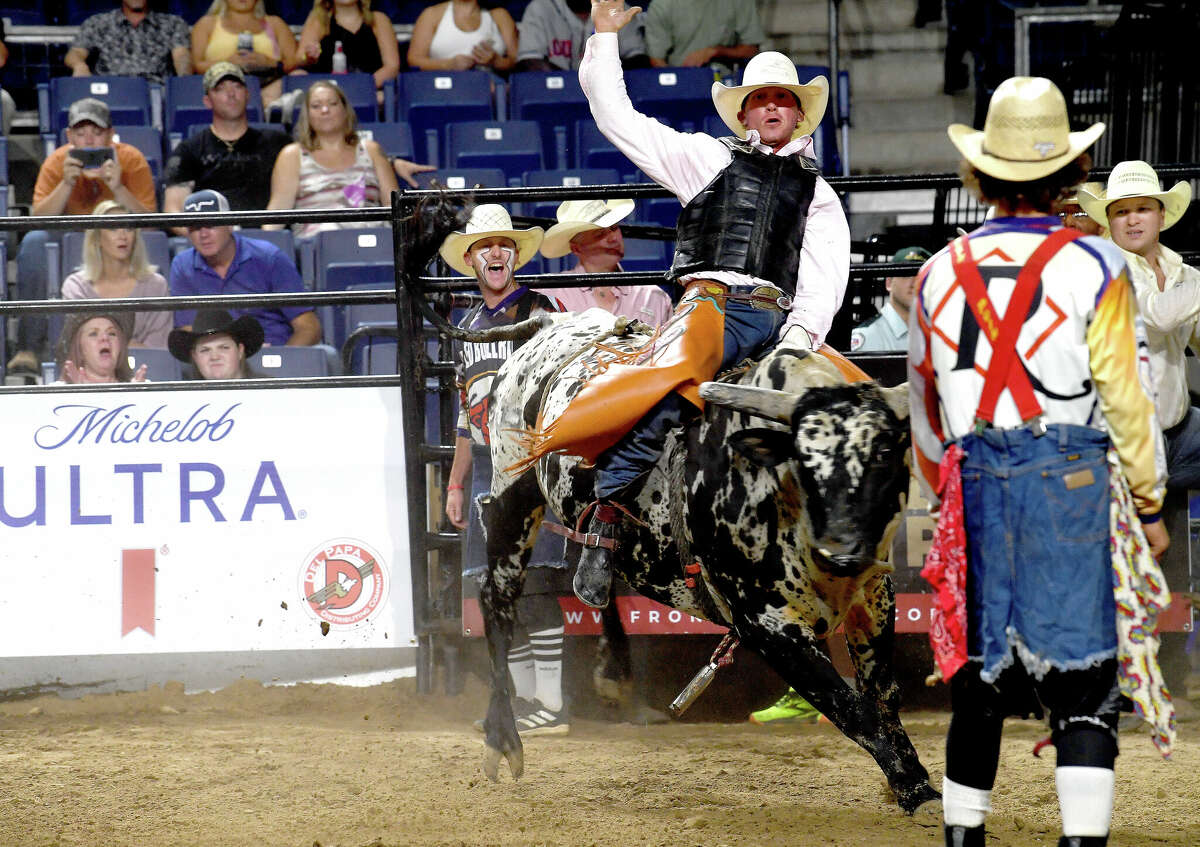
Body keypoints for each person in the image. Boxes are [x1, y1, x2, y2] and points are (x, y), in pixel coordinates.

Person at [910, 76, 1168, 847]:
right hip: (1073, 483)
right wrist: (1149, 503)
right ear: (1071, 175)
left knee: (977, 683)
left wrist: (948, 492)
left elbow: (925, 414)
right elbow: (1127, 401)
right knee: (1086, 685)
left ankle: (964, 836)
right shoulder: (1098, 267)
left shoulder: (937, 271)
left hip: (974, 482)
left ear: (980, 172)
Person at [526, 1, 850, 610]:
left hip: (781, 320)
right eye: (760, 98)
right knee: (670, 391)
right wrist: (604, 37)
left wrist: (795, 344)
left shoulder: (820, 194)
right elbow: (618, 118)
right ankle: (606, 520)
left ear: (797, 113)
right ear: (745, 111)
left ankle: (833, 552)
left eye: (782, 99)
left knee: (846, 407)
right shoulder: (707, 158)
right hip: (711, 308)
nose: (772, 107)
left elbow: (823, 282)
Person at [438, 204, 569, 733]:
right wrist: (455, 482)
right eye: (485, 246)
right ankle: (528, 702)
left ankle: (551, 705)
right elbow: (464, 415)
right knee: (495, 589)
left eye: (504, 245)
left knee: (533, 584)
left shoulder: (540, 311)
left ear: (514, 256)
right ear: (471, 259)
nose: (496, 253)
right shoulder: (466, 326)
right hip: (486, 467)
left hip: (531, 463)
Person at [9, 97, 157, 376]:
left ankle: (140, 349)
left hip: (117, 239)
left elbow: (150, 224)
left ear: (110, 134)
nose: (88, 140)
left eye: (96, 132)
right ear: (69, 136)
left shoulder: (131, 160)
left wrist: (118, 187)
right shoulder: (57, 161)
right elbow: (38, 219)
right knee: (34, 243)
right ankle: (28, 348)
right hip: (73, 238)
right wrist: (66, 184)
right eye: (80, 133)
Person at [1078, 161, 1198, 489]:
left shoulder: (1185, 275)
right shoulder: (1104, 270)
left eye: (1143, 208)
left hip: (1180, 429)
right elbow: (1161, 315)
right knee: (1134, 516)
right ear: (1109, 222)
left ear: (1161, 215)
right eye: (1121, 212)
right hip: (1122, 441)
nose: (1132, 220)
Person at [170, 189, 321, 347]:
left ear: (230, 224)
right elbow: (188, 329)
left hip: (273, 350)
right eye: (195, 227)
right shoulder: (182, 266)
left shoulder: (269, 257)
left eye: (211, 224)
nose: (203, 234)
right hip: (217, 357)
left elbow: (308, 327)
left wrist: (281, 357)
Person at [162, 62, 294, 236]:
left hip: (268, 237)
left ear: (247, 95)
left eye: (237, 86)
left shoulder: (278, 143)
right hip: (212, 241)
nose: (231, 94)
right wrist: (206, 238)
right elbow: (174, 210)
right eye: (220, 89)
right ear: (207, 101)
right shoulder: (188, 150)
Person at [265, 80, 400, 241]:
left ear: (345, 110)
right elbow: (277, 213)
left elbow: (395, 209)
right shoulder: (292, 155)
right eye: (316, 106)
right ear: (307, 115)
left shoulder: (371, 150)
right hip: (317, 244)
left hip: (370, 239)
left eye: (333, 104)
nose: (325, 110)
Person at [536, 197, 673, 327]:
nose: (613, 238)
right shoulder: (549, 295)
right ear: (576, 248)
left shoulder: (655, 297)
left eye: (614, 228)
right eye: (600, 234)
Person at [61, 201, 171, 349]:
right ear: (97, 238)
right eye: (113, 228)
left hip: (147, 363)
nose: (123, 235)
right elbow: (82, 346)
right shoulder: (77, 287)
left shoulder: (156, 285)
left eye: (129, 228)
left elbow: (158, 349)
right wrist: (130, 346)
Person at [191, 0, 300, 111]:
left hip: (269, 84)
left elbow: (293, 61)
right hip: (223, 84)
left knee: (298, 75)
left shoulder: (275, 24)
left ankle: (270, 110)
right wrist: (227, 63)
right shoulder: (207, 24)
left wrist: (269, 62)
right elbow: (197, 64)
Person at [65, 0, 191, 83]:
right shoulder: (98, 23)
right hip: (109, 89)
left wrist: (184, 79)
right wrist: (79, 65)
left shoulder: (172, 23)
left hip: (155, 92)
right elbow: (75, 52)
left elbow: (181, 55)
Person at [297, 0, 401, 96]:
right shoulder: (319, 21)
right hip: (329, 95)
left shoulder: (378, 19)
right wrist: (308, 56)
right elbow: (299, 59)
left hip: (372, 93)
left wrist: (359, 87)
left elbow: (392, 66)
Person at [515, 0, 648, 72]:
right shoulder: (541, 8)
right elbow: (530, 62)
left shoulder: (617, 8)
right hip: (555, 95)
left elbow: (637, 60)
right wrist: (571, 82)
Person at [850, 246, 932, 353]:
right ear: (889, 283)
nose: (915, 283)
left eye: (922, 276)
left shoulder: (936, 332)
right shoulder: (867, 336)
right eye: (906, 275)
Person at [643, 0, 764, 73]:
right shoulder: (662, 5)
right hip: (680, 79)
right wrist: (679, 80)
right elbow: (656, 60)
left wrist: (716, 51)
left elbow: (752, 50)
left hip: (726, 82)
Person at [406, 0, 518, 73]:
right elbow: (414, 60)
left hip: (489, 90)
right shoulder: (432, 14)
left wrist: (496, 61)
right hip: (443, 87)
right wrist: (449, 64)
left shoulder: (500, 16)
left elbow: (517, 61)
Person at [168, 309, 265, 380]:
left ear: (240, 351)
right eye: (205, 350)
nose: (214, 357)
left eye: (224, 348)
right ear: (194, 356)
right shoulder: (183, 399)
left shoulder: (268, 392)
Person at [54, 311, 147, 384]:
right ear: (79, 349)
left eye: (112, 333)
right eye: (93, 334)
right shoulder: (57, 393)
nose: (105, 338)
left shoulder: (141, 387)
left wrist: (137, 397)